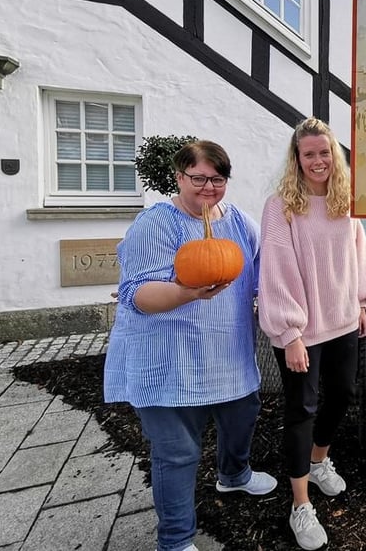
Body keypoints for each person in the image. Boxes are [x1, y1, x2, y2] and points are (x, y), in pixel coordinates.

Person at [104, 140, 277, 551]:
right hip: (166, 361)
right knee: (177, 451)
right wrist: (185, 292)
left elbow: (264, 273)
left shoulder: (239, 223)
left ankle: (233, 476)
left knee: (243, 416)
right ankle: (176, 540)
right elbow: (137, 295)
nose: (208, 187)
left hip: (227, 355)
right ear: (179, 177)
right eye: (198, 178)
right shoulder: (155, 225)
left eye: (217, 179)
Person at [257, 117, 366, 550]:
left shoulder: (344, 199)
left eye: (324, 152)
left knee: (344, 393)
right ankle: (300, 504)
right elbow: (275, 270)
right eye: (308, 153)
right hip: (301, 330)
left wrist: (362, 301)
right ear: (297, 158)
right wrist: (290, 333)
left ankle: (320, 460)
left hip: (343, 320)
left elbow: (357, 251)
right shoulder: (281, 207)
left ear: (334, 155)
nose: (318, 160)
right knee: (301, 410)